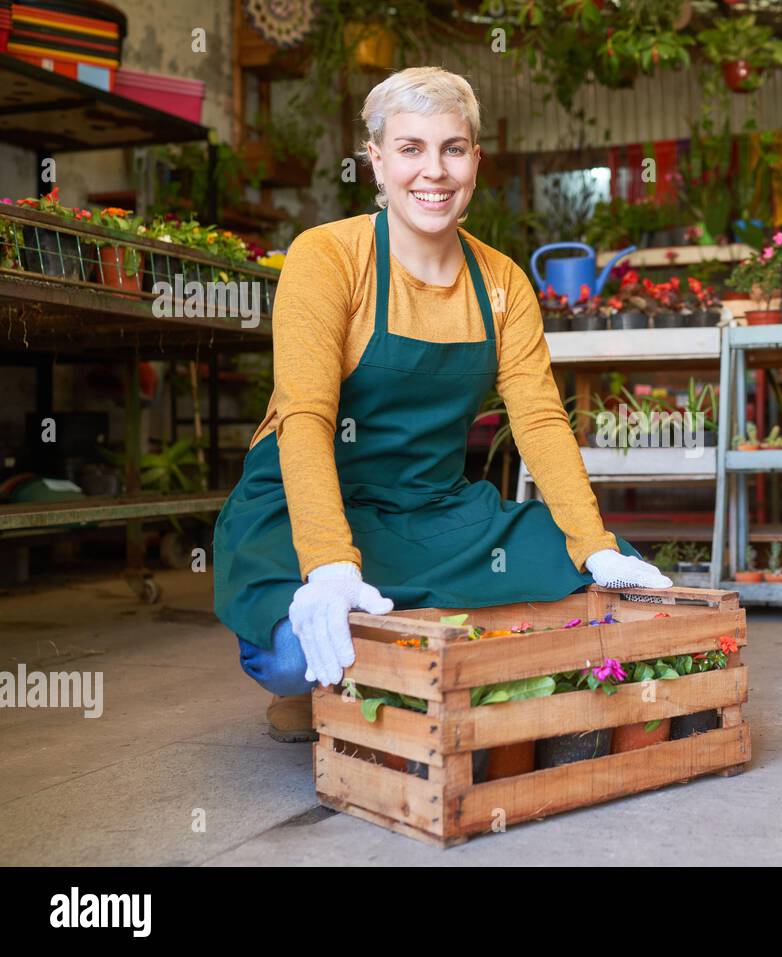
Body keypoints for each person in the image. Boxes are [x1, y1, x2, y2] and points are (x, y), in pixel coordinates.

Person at [213, 66, 671, 742]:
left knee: (606, 581)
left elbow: (540, 418)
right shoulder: (329, 257)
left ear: (475, 160)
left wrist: (595, 544)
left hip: (434, 512)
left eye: (453, 148)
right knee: (290, 652)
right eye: (410, 149)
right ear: (375, 159)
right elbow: (306, 416)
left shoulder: (502, 282)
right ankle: (315, 683)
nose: (434, 171)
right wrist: (330, 564)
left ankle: (385, 675)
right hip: (301, 503)